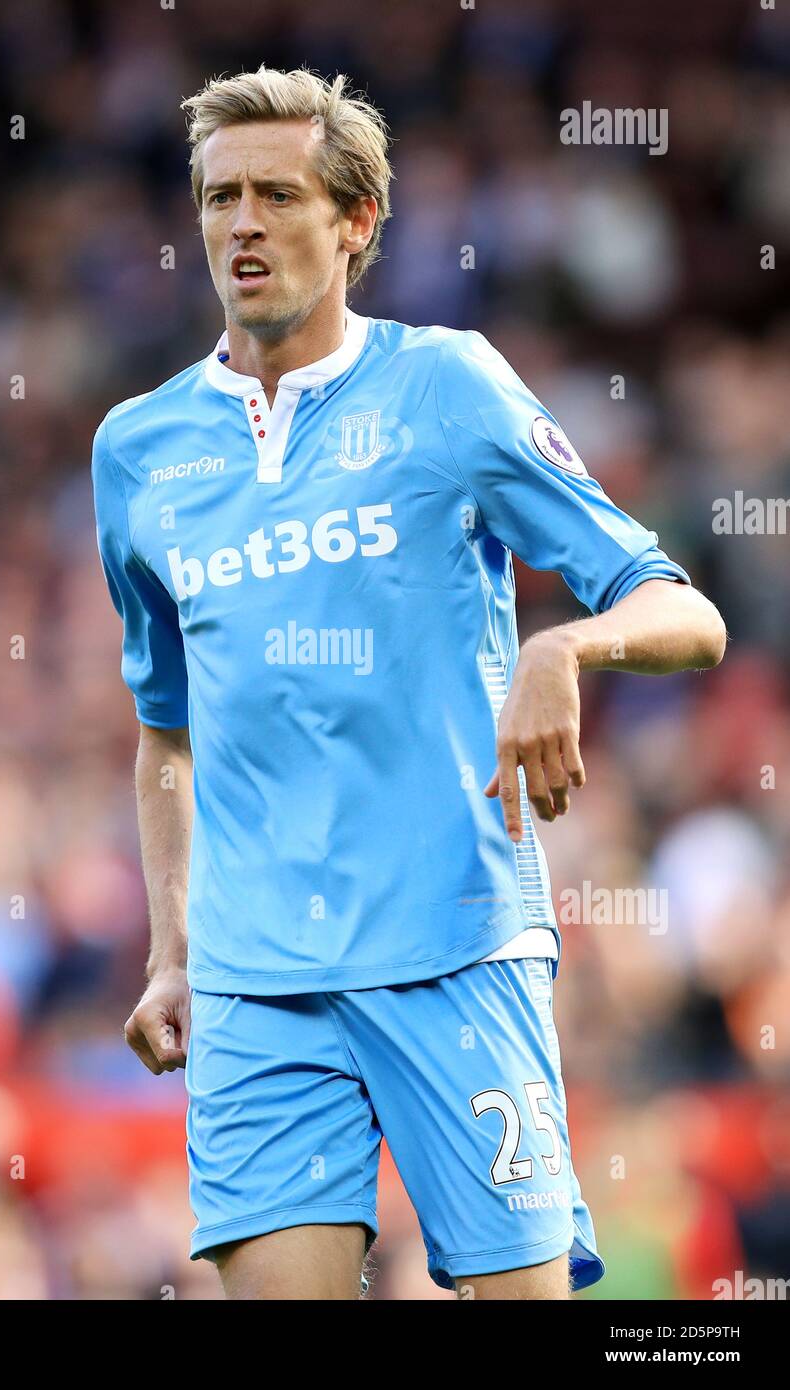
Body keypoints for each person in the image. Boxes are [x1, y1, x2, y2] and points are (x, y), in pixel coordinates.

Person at [91, 66, 727, 1300]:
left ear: (359, 221)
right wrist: (172, 952)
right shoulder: (138, 450)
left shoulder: (448, 386)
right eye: (221, 197)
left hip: (457, 948)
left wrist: (562, 649)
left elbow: (683, 611)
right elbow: (162, 736)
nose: (242, 226)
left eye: (279, 195)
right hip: (254, 982)